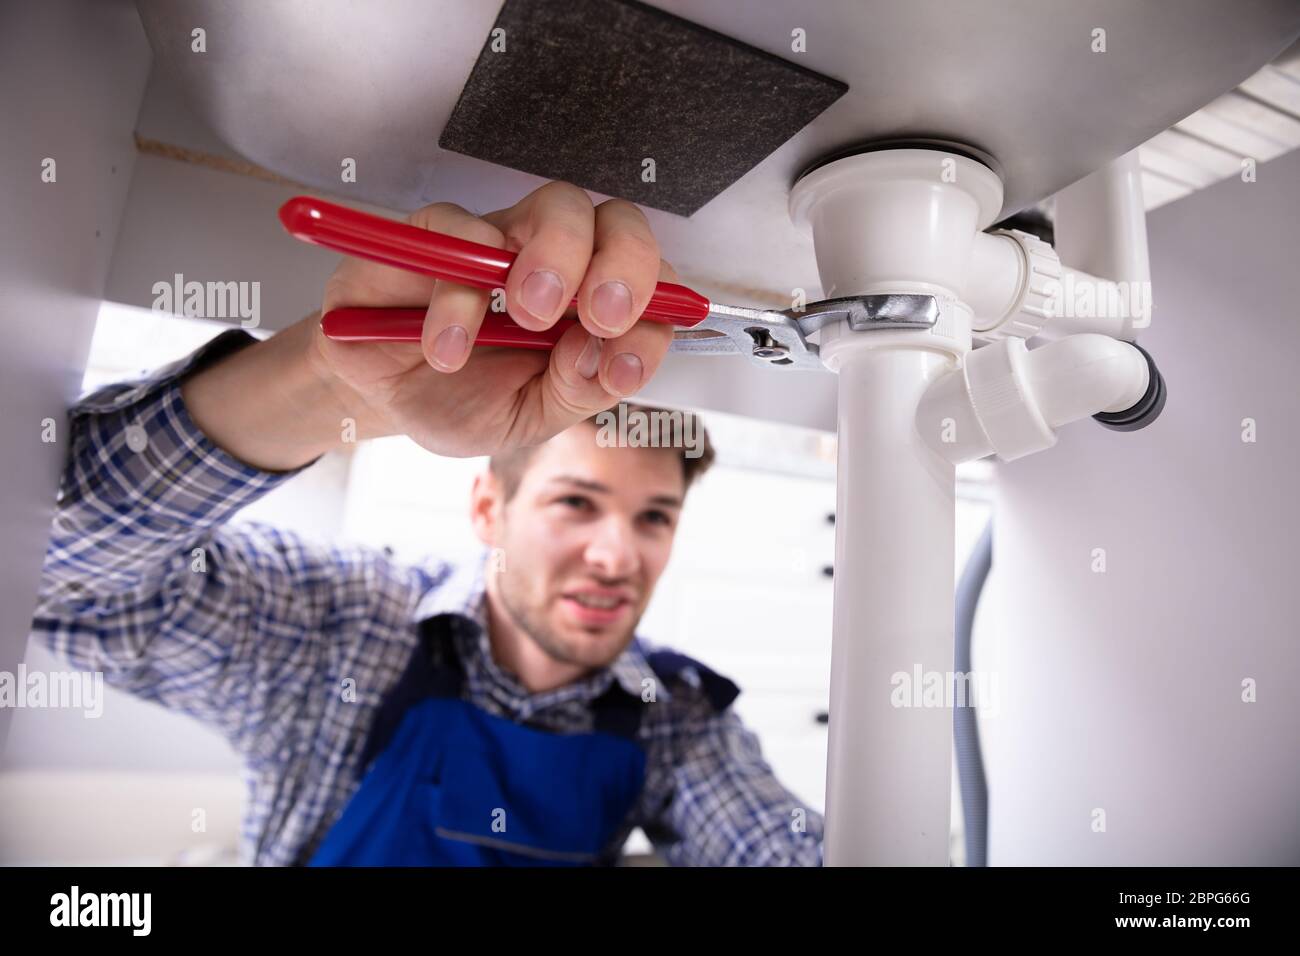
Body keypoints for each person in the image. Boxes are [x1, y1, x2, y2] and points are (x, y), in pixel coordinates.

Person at [31, 181, 825, 866]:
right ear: (489, 509)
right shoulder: (335, 627)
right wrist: (333, 391)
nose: (619, 554)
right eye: (575, 503)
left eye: (655, 516)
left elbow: (773, 842)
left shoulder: (675, 716)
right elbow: (47, 577)